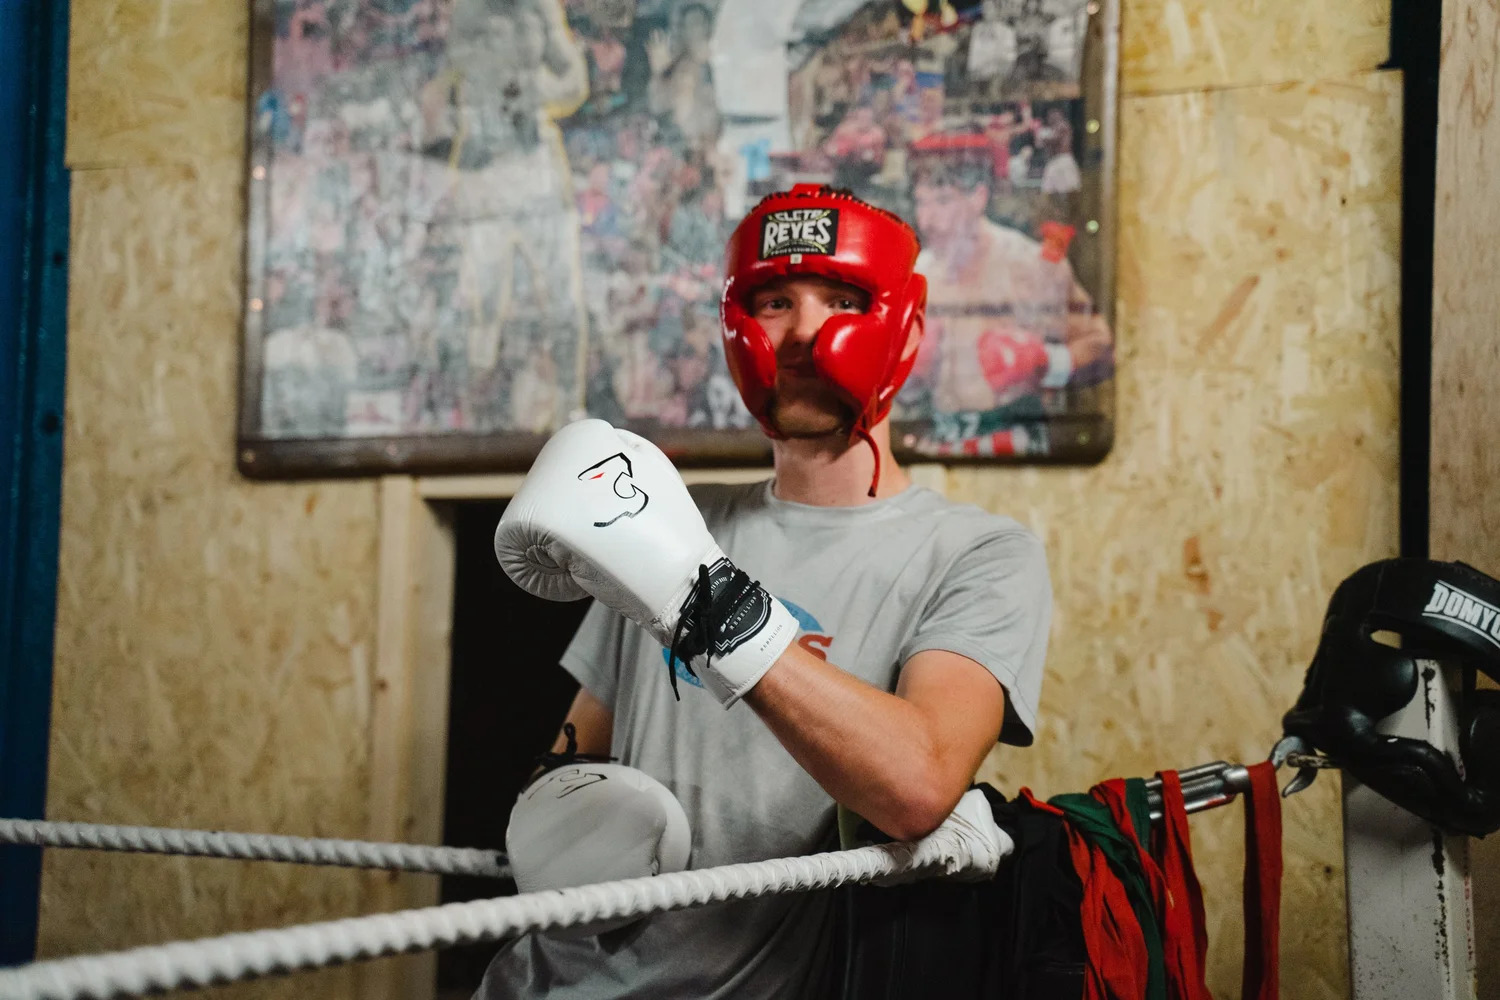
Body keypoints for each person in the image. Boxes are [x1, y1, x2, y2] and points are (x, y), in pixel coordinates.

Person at [480, 185, 1052, 999]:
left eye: (842, 298)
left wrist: (705, 603)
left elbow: (919, 782)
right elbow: (573, 756)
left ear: (905, 330)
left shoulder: (977, 554)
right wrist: (559, 813)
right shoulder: (670, 514)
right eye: (775, 300)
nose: (805, 333)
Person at [905, 132, 1112, 437]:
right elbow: (902, 392)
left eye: (943, 201)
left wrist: (1046, 362)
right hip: (938, 438)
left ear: (978, 196)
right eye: (921, 203)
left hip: (1016, 441)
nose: (927, 220)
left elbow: (1102, 348)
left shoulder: (1028, 264)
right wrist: (908, 370)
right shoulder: (918, 274)